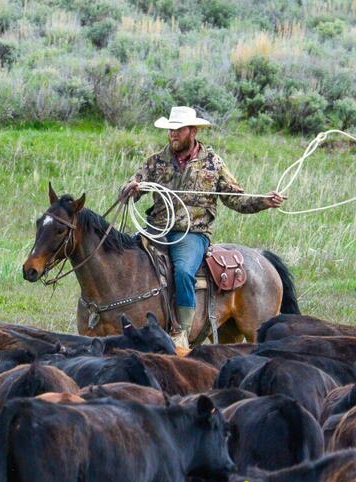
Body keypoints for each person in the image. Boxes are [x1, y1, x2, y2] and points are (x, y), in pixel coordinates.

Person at [121, 106, 286, 349]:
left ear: (193, 131)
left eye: (179, 130)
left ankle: (181, 332)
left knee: (183, 270)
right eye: (171, 129)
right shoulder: (156, 161)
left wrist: (264, 201)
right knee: (127, 262)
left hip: (192, 233)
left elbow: (235, 198)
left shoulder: (212, 163)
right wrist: (130, 189)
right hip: (156, 228)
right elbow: (132, 187)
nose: (173, 134)